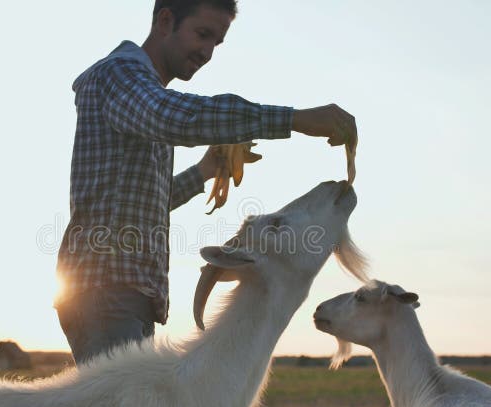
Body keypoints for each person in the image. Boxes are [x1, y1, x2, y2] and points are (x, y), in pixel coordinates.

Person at [55, 0, 357, 365]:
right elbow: (176, 119)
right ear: (166, 21)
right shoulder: (121, 75)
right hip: (106, 290)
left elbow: (148, 202)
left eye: (217, 42)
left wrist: (205, 170)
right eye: (202, 34)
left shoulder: (142, 90)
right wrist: (293, 120)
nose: (208, 52)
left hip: (121, 293)